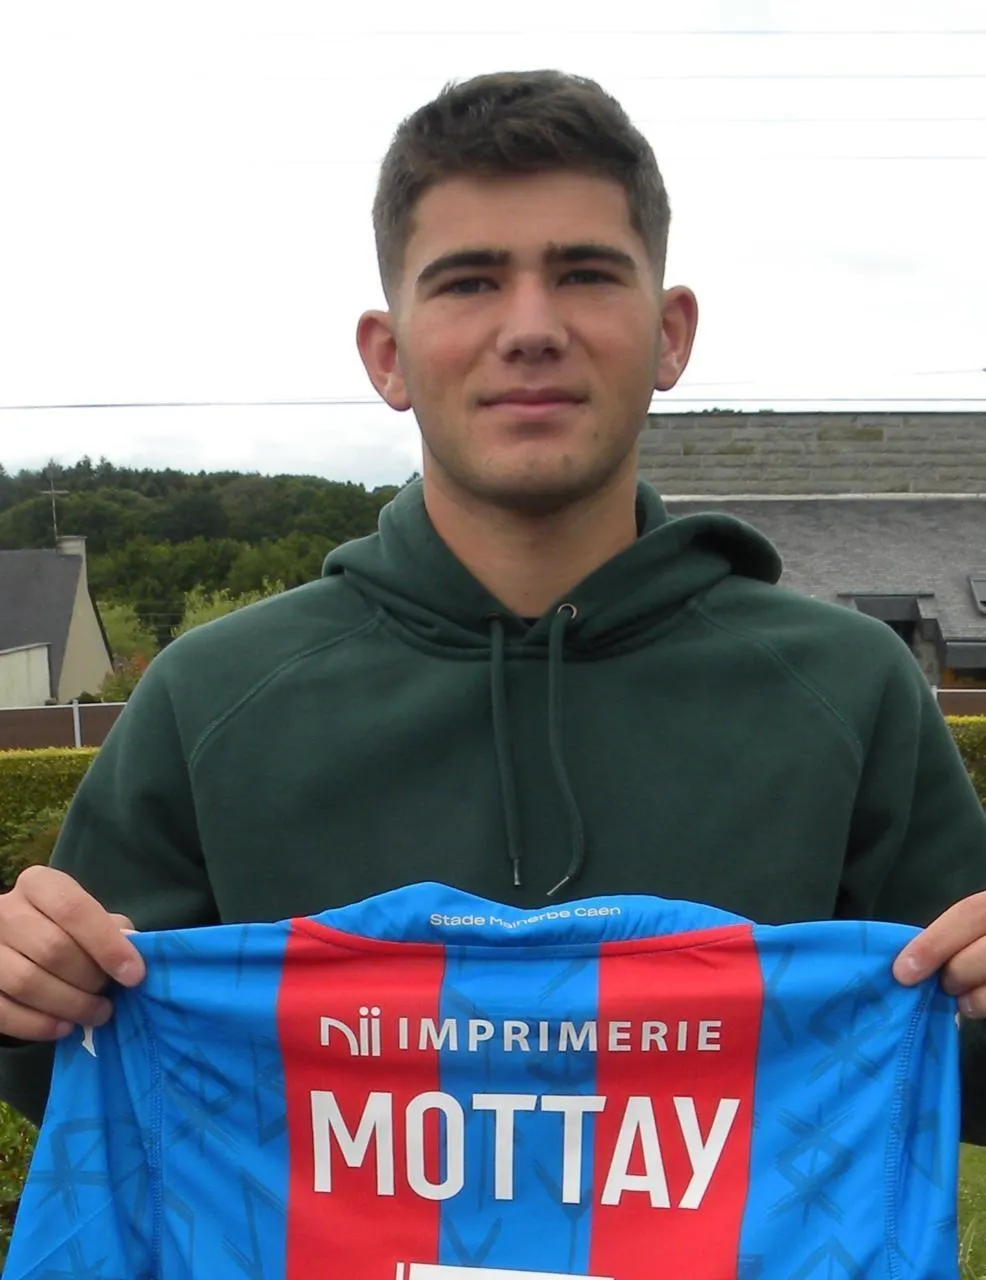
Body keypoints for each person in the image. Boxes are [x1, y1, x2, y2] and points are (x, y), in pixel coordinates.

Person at [1, 69, 985, 1138]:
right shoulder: (210, 700)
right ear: (389, 354)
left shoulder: (848, 688)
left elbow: (953, 1082)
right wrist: (24, 997)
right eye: (469, 281)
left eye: (585, 275)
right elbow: (89, 1079)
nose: (530, 327)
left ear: (669, 333)